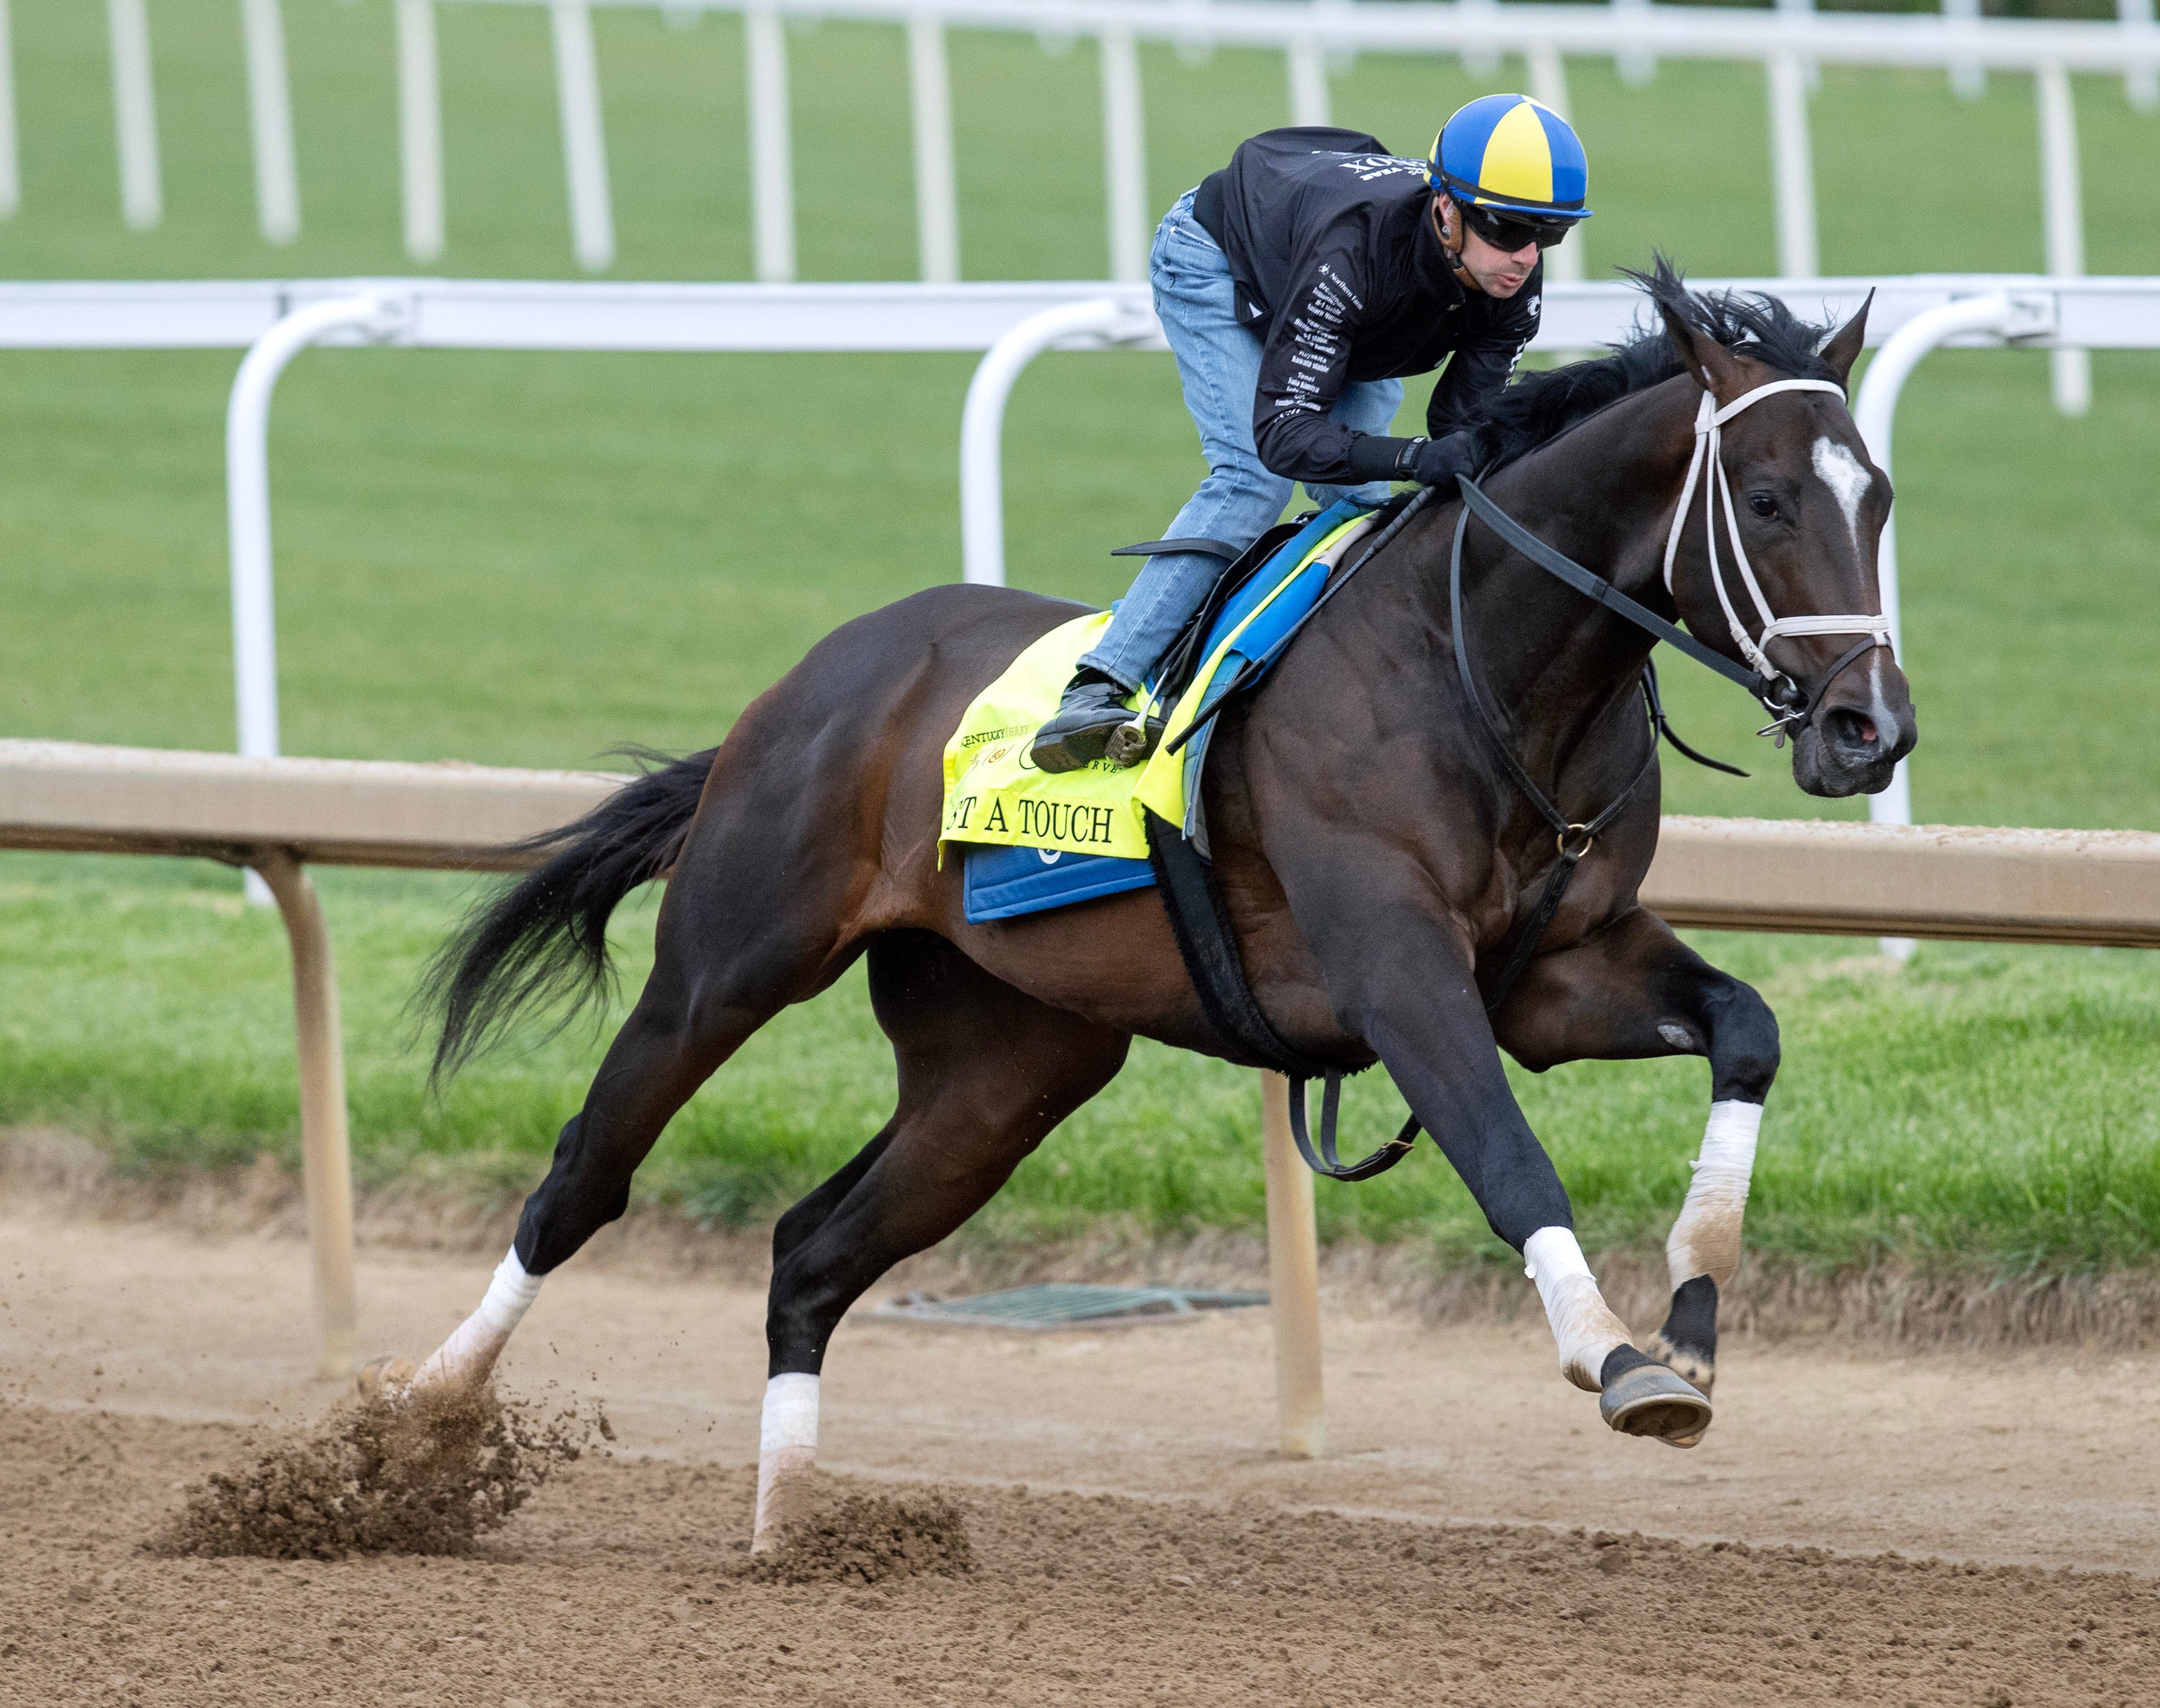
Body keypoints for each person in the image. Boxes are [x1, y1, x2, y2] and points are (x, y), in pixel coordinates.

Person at [1029, 93, 1594, 774]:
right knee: (1251, 480)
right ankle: (1099, 685)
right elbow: (1286, 436)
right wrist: (1414, 455)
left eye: (1550, 235)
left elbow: (1462, 430)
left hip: (1352, 299)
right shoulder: (1353, 248)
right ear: (1445, 208)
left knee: (1366, 502)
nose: (1528, 257)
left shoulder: (1512, 279)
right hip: (1222, 257)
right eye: (1508, 230)